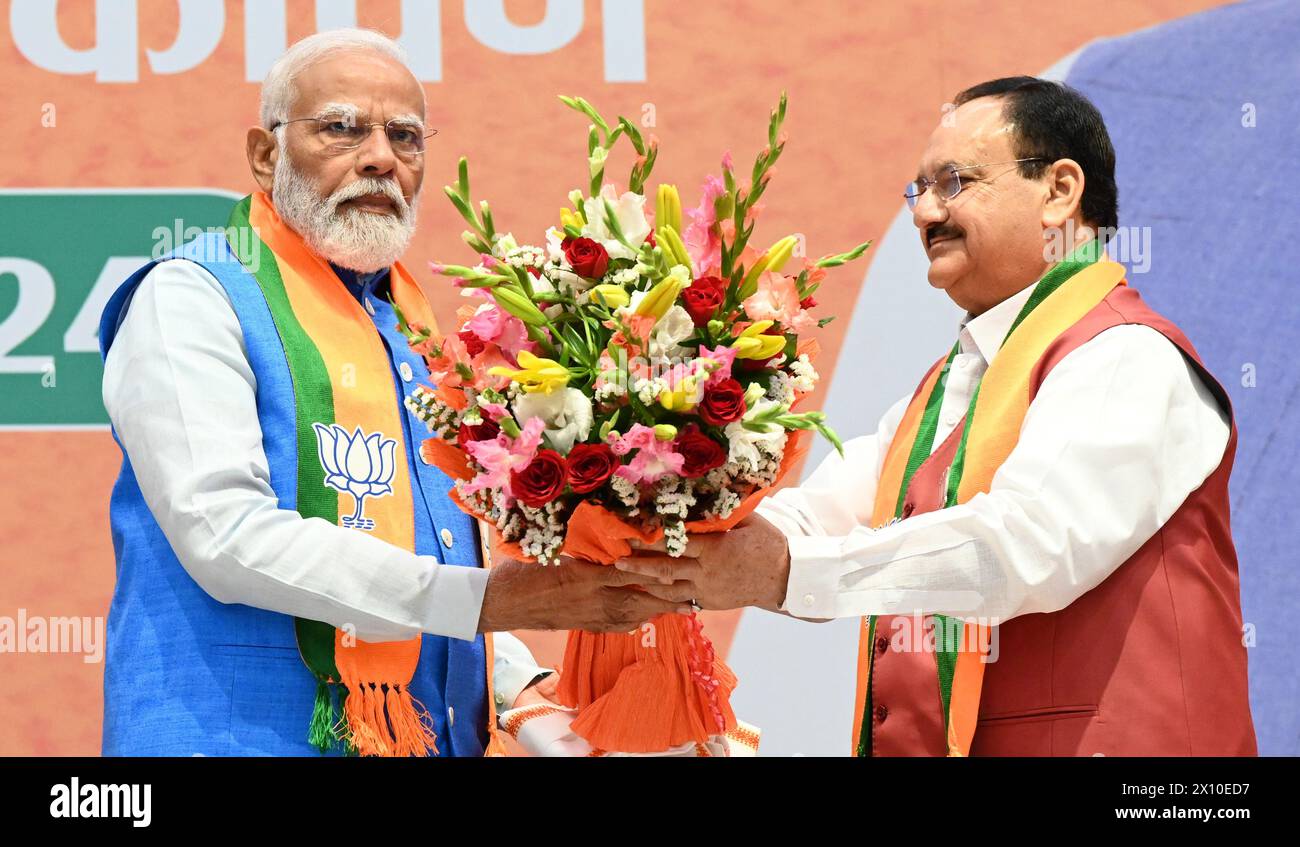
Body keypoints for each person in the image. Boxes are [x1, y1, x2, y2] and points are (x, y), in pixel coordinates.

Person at [616, 77, 1256, 756]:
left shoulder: (1128, 355)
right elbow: (820, 515)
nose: (925, 214)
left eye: (954, 182)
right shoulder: (946, 386)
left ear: (1060, 191)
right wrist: (665, 537)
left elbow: (1018, 548)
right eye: (918, 191)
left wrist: (778, 571)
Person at [98, 28, 682, 757]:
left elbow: (420, 547)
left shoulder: (412, 329)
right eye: (341, 128)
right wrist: (489, 600)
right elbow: (224, 535)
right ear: (263, 154)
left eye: (405, 137)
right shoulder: (192, 295)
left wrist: (516, 679)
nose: (379, 157)